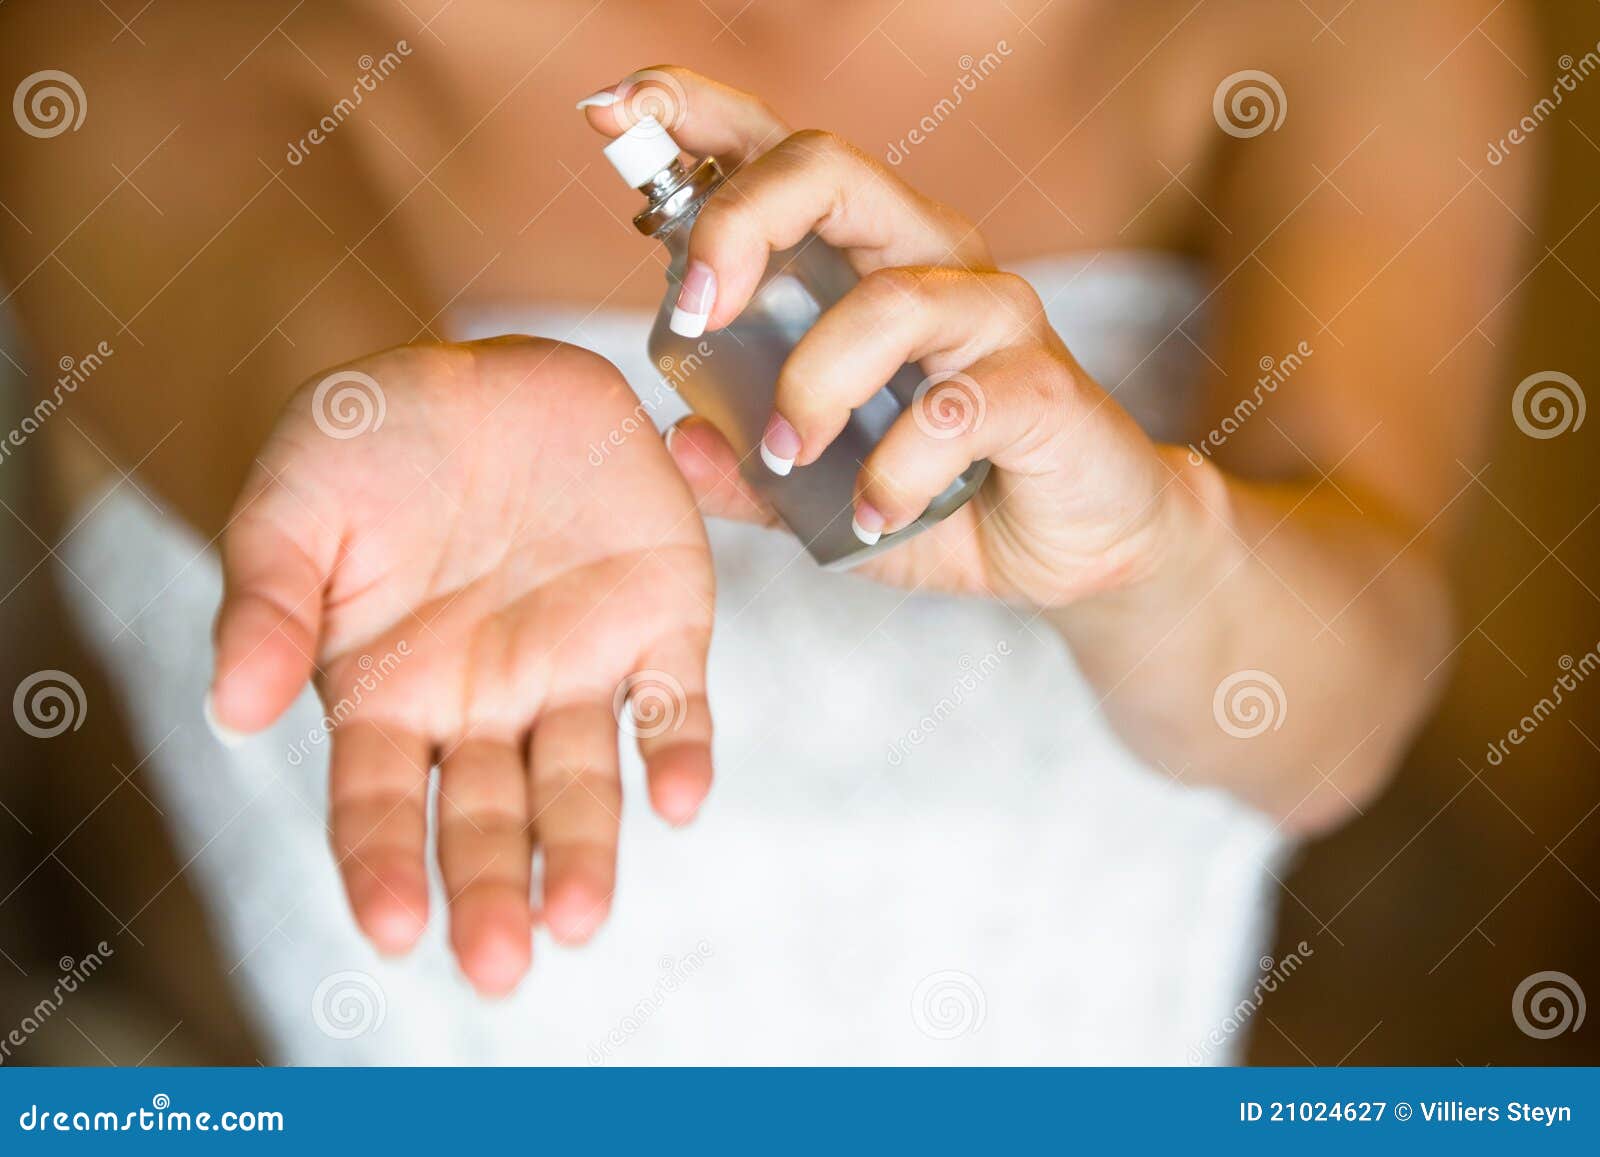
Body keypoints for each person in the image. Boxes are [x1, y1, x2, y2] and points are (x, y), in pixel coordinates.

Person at [0, 2, 1536, 1062]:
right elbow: (281, 349)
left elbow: (1336, 710)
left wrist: (1149, 548)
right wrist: (393, 416)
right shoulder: (148, 46)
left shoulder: (1349, 30)